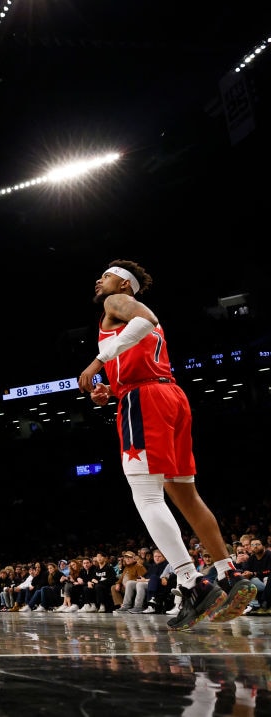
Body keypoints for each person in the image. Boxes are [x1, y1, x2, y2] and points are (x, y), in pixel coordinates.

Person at [77, 260, 256, 630]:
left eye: (107, 276)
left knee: (147, 496)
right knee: (186, 495)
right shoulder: (125, 313)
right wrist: (110, 388)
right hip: (170, 396)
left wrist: (97, 362)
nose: (99, 280)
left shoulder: (116, 303)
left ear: (124, 285)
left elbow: (147, 320)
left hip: (145, 401)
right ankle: (228, 573)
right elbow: (139, 352)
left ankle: (192, 582)